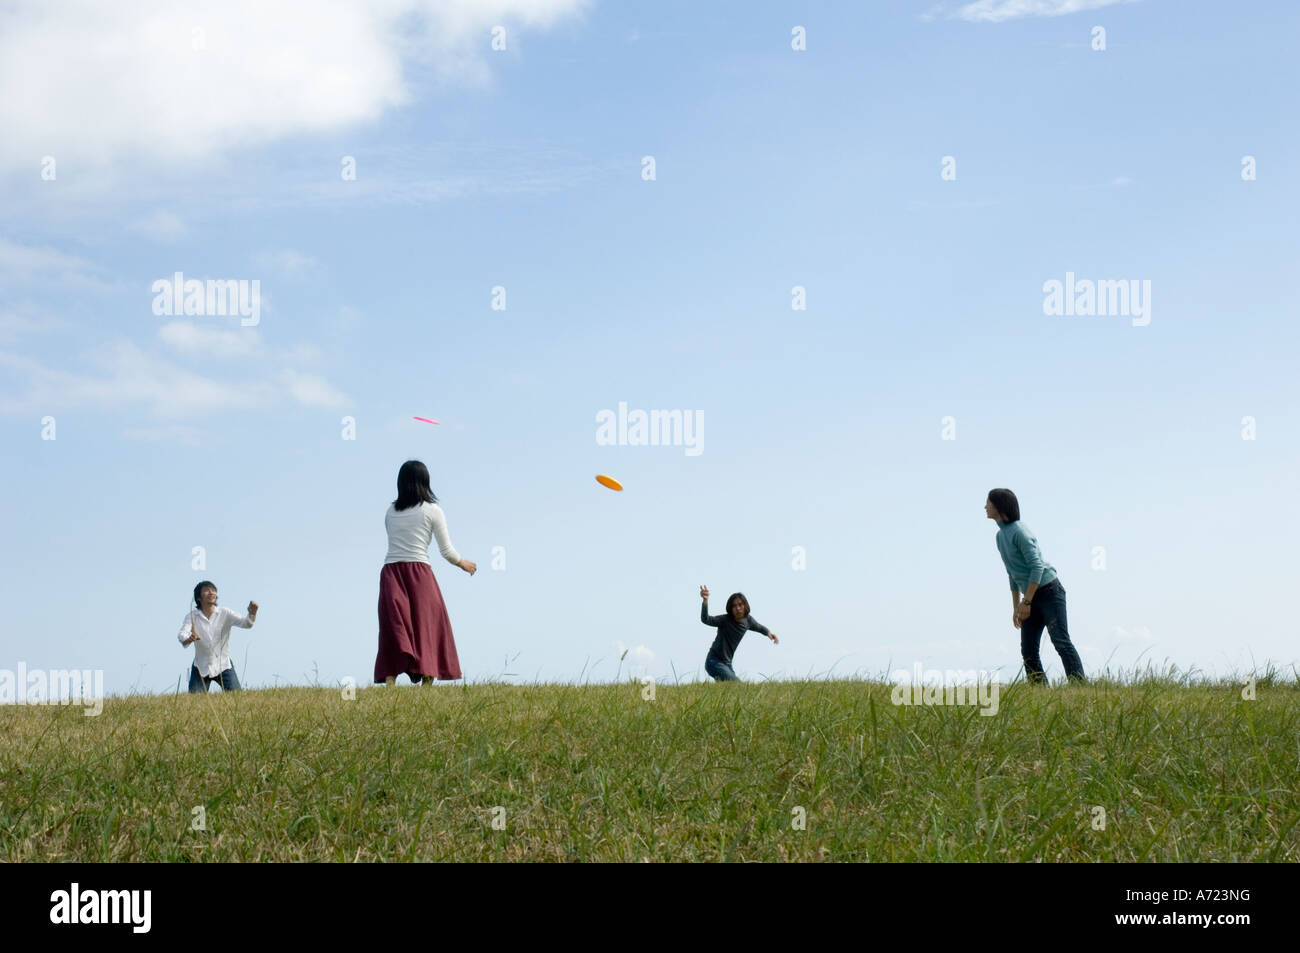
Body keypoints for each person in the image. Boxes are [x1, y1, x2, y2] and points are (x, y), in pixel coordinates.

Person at [375, 460, 476, 686]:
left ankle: (390, 683)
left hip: (391, 574)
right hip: (419, 573)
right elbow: (446, 550)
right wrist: (463, 564)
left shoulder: (390, 511)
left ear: (400, 483)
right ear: (425, 482)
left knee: (393, 628)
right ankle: (427, 684)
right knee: (427, 626)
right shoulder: (433, 510)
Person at [986, 488, 1085, 684]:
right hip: (1030, 597)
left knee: (1061, 642)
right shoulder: (1000, 537)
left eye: (988, 502)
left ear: (1000, 506)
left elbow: (1037, 567)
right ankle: (1040, 691)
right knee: (1028, 650)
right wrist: (1016, 606)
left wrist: (1027, 601)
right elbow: (1012, 573)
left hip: (1049, 591)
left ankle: (1080, 687)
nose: (985, 507)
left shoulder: (1019, 532)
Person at [179, 581, 259, 693]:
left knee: (237, 697)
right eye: (207, 590)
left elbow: (246, 623)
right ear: (198, 597)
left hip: (223, 665)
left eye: (213, 590)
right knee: (194, 702)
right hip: (201, 666)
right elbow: (182, 635)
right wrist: (190, 638)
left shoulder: (225, 613)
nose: (211, 592)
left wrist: (252, 614)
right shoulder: (192, 616)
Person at [699, 585, 778, 682]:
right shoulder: (725, 620)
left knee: (731, 692)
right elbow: (705, 619)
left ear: (745, 606)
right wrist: (705, 601)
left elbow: (759, 627)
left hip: (727, 664)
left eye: (740, 605)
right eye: (734, 606)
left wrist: (769, 634)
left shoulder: (748, 620)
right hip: (714, 661)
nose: (738, 608)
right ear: (730, 609)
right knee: (737, 684)